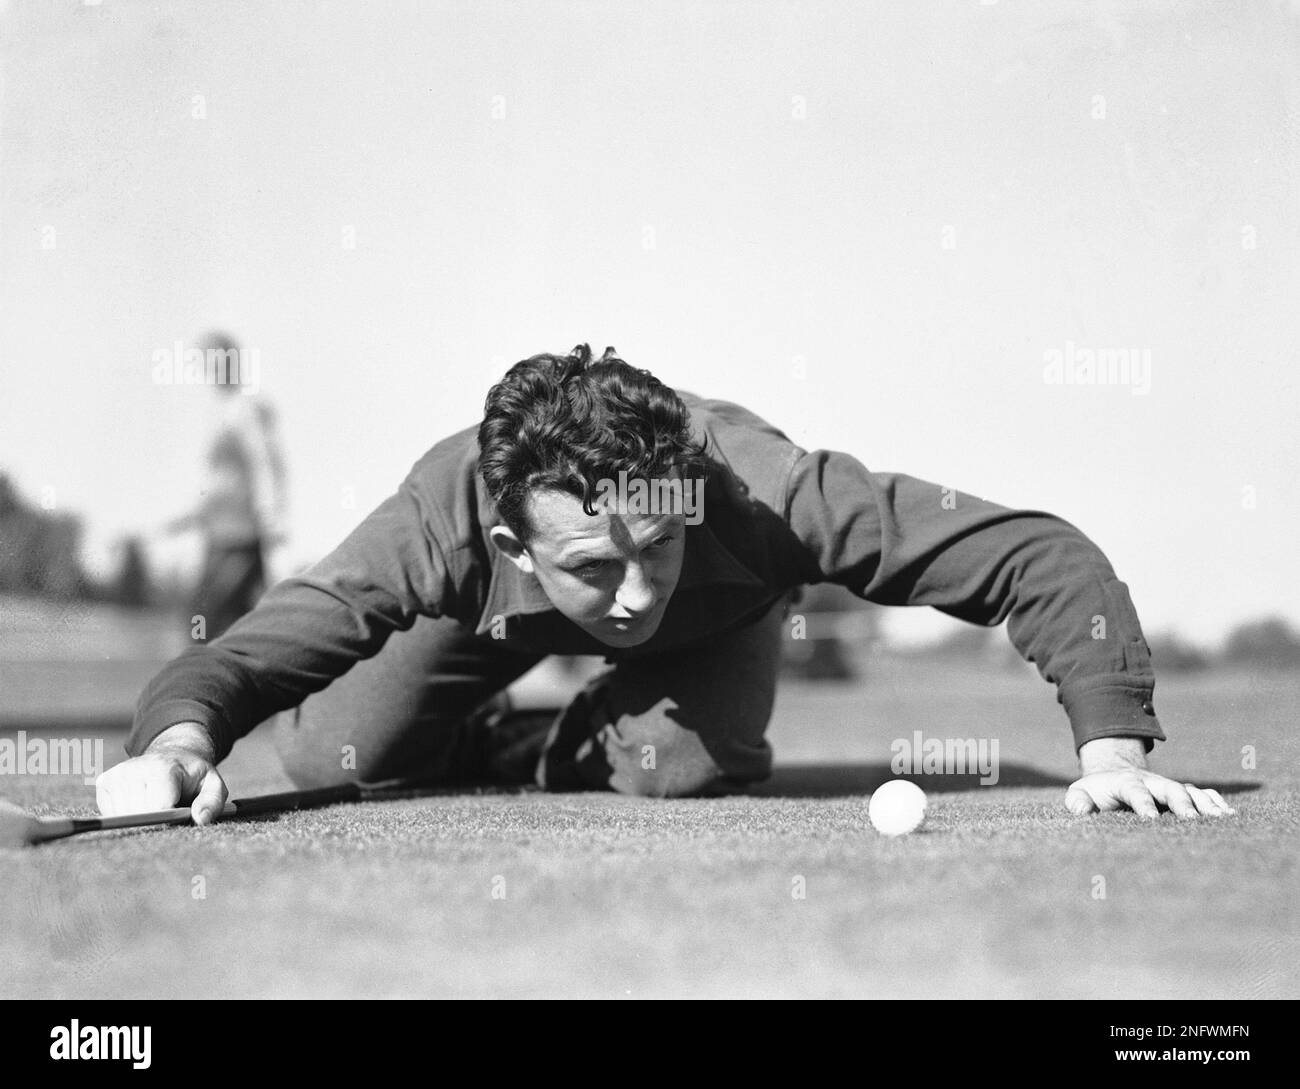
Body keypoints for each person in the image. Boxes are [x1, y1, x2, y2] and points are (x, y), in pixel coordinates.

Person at [97, 344, 1233, 823]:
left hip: (728, 622)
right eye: (594, 565)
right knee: (333, 758)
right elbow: (249, 650)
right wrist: (181, 741)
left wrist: (1111, 747)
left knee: (679, 769)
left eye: (660, 541)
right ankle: (470, 722)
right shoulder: (436, 525)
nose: (636, 592)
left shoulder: (773, 492)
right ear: (513, 548)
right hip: (479, 627)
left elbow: (1040, 555)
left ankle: (541, 748)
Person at [164, 332, 288, 640]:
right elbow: (219, 480)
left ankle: (201, 680)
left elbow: (266, 464)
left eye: (213, 360)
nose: (208, 369)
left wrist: (272, 517)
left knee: (207, 620)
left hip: (240, 534)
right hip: (219, 532)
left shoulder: (246, 407)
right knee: (235, 621)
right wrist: (194, 512)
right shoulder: (219, 410)